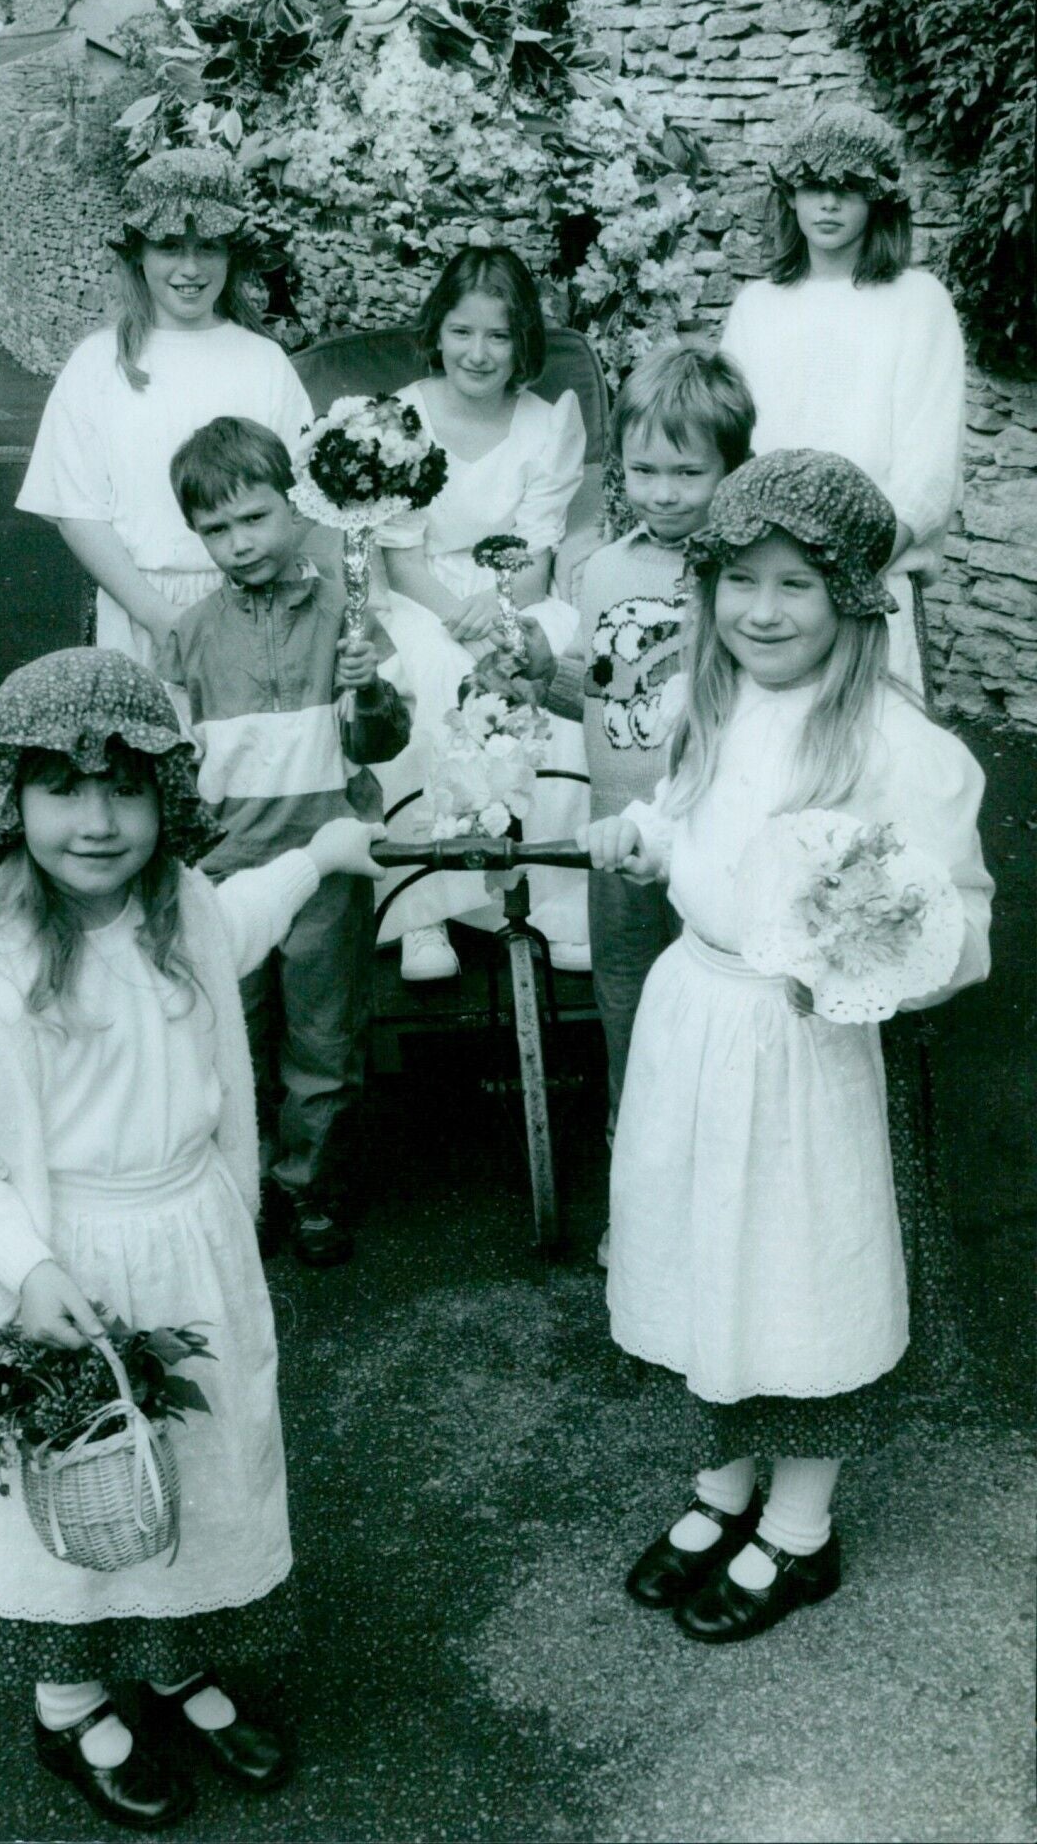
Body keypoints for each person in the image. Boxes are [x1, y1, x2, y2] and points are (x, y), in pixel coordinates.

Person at [0, 648, 385, 1830]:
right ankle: (68, 1695)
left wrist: (322, 853)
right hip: (73, 1266)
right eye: (64, 791)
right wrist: (32, 1268)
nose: (96, 819)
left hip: (196, 1243)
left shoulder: (183, 918)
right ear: (11, 804)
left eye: (124, 789)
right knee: (80, 1476)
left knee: (200, 1465)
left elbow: (250, 917)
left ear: (164, 800)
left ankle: (174, 1650)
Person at [582, 449, 992, 1644]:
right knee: (706, 1250)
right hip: (693, 1018)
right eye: (738, 580)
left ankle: (798, 1524)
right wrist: (648, 843)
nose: (759, 610)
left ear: (852, 601)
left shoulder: (894, 747)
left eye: (794, 586)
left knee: (797, 1268)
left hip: (799, 1047)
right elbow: (695, 825)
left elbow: (957, 925)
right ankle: (722, 1482)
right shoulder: (709, 701)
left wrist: (872, 960)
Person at [489, 347, 755, 1219]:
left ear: (733, 467)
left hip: (721, 833)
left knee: (728, 1022)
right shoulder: (600, 571)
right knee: (629, 1011)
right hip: (618, 828)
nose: (665, 491)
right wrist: (535, 670)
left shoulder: (745, 578)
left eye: (690, 471)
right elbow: (598, 692)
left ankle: (731, 1202)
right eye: (644, 469)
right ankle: (642, 1209)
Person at [160, 416, 411, 1266]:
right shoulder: (189, 636)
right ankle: (245, 1184)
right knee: (233, 1033)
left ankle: (313, 1190)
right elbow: (178, 766)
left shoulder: (348, 614)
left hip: (327, 864)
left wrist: (369, 688)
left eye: (255, 518)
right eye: (215, 529)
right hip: (225, 870)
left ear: (297, 509)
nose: (238, 543)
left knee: (324, 1035)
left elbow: (382, 745)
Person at [16, 149, 313, 690]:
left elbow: (303, 499)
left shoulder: (263, 361)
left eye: (209, 248)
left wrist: (251, 602)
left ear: (233, 255)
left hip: (259, 604)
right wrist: (162, 619)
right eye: (170, 247)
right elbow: (77, 510)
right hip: (142, 612)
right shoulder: (98, 364)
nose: (191, 269)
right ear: (137, 255)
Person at [374, 244, 591, 980]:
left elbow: (538, 553)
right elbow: (399, 555)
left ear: (521, 341)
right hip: (420, 596)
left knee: (549, 659)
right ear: (438, 332)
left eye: (498, 336)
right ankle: (424, 910)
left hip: (513, 592)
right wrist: (454, 612)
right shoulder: (401, 418)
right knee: (426, 670)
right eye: (462, 332)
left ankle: (552, 901)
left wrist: (496, 609)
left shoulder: (545, 424)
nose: (478, 352)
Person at [722, 103, 965, 694]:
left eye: (849, 188)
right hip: (770, 591)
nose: (828, 203)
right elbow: (729, 442)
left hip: (871, 575)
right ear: (791, 195)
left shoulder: (918, 302)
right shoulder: (757, 305)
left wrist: (851, 566)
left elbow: (928, 472)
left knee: (872, 764)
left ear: (877, 199)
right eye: (813, 185)